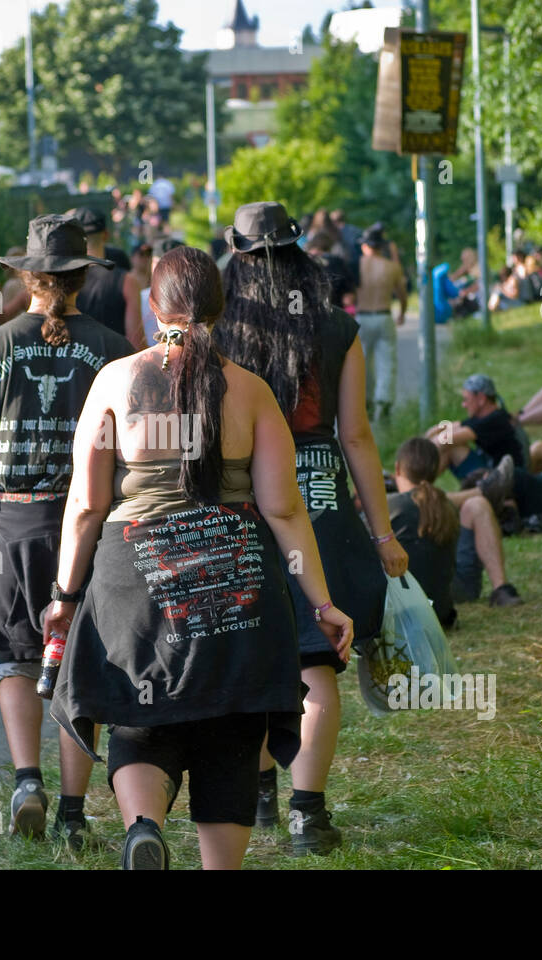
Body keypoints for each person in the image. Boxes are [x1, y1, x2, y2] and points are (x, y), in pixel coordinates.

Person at [44, 245, 354, 870]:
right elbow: (286, 510)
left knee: (140, 717)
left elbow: (83, 506)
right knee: (232, 729)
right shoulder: (252, 390)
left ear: (153, 307)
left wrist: (65, 597)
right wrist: (322, 602)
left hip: (134, 577)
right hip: (238, 579)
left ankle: (143, 826)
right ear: (222, 307)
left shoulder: (115, 381)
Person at [214, 201, 407, 856]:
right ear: (300, 253)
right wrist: (383, 535)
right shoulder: (336, 328)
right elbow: (356, 436)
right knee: (316, 664)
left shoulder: (219, 330)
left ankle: (261, 794)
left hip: (239, 503)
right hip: (320, 501)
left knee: (250, 656)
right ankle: (308, 815)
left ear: (237, 256)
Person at [0, 215, 135, 849]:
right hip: (89, 531)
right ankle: (75, 814)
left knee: (15, 662)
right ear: (82, 278)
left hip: (15, 526)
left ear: (26, 277)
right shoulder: (111, 350)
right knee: (83, 668)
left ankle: (28, 780)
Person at [388, 438, 523, 626]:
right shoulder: (446, 505)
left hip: (411, 599)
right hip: (447, 595)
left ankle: (501, 589)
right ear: (436, 471)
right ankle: (482, 492)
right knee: (478, 505)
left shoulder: (389, 507)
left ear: (397, 469)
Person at [425, 374, 525, 490]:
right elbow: (443, 428)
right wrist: (427, 438)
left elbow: (443, 440)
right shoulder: (481, 418)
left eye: (466, 399)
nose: (464, 405)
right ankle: (417, 488)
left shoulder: (495, 420)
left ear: (481, 399)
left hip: (503, 482)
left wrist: (418, 454)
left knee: (452, 448)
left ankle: (415, 487)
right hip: (493, 472)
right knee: (450, 447)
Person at [70, 207, 146, 350]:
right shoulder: (127, 282)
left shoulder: (60, 281)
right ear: (106, 235)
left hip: (73, 368)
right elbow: (135, 342)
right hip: (114, 365)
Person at [355, 224, 408, 420]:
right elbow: (402, 295)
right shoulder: (391, 267)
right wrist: (401, 313)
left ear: (366, 246)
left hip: (362, 316)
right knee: (387, 361)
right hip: (384, 314)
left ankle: (366, 400)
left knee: (363, 363)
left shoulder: (357, 265)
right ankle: (384, 400)